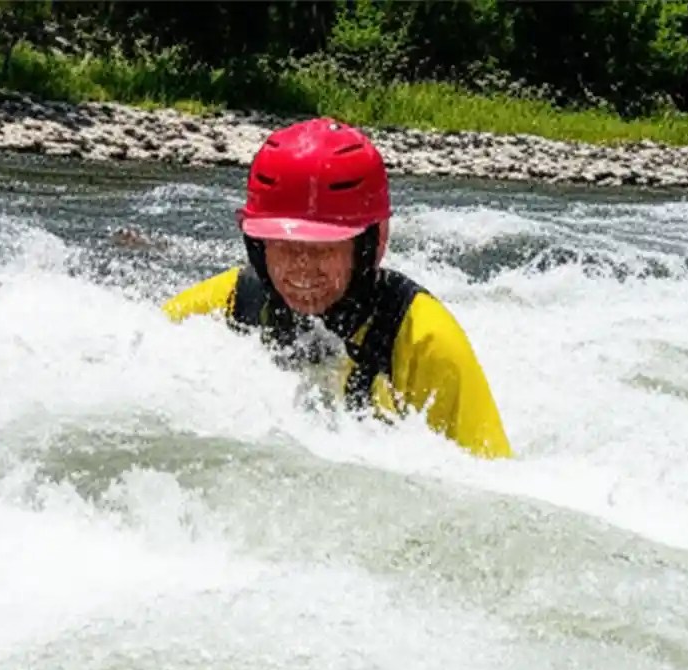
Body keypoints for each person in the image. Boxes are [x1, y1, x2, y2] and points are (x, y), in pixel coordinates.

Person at [161, 118, 514, 460]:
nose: (301, 268)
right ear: (258, 245)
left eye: (323, 248)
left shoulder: (428, 343)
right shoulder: (227, 306)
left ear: (368, 245)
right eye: (283, 246)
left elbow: (492, 483)